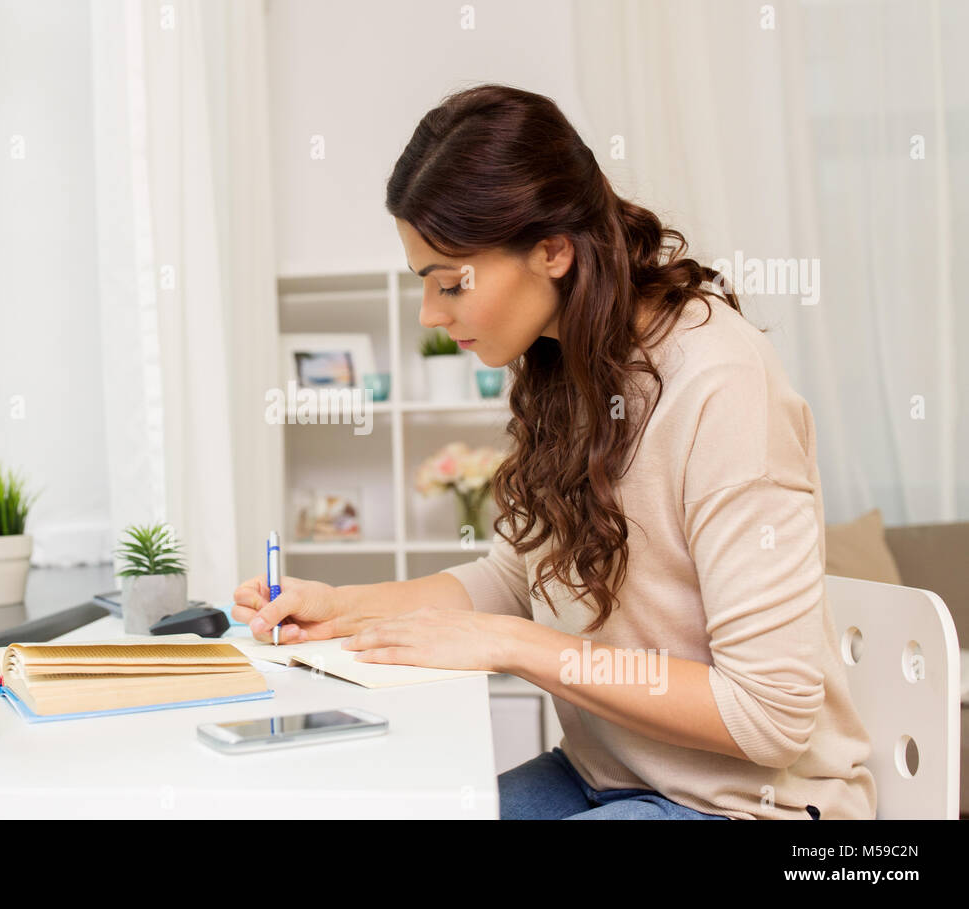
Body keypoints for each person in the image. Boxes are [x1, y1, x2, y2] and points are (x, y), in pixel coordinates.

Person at [233, 85, 876, 821]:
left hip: (746, 808)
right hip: (609, 777)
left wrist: (514, 645)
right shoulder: (563, 367)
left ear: (554, 251)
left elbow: (770, 714)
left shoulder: (721, 386)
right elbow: (511, 576)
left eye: (451, 283)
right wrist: (342, 608)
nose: (432, 316)